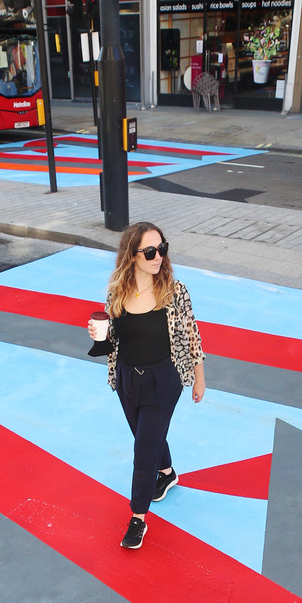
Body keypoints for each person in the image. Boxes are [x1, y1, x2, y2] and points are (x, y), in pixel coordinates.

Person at [87, 221, 205, 550]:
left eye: (162, 249)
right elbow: (113, 343)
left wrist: (199, 375)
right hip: (126, 378)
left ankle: (138, 518)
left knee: (143, 450)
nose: (158, 257)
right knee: (146, 437)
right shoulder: (117, 291)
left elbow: (192, 333)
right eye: (150, 251)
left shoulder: (174, 290)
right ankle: (166, 472)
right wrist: (99, 336)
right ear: (133, 255)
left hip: (163, 380)